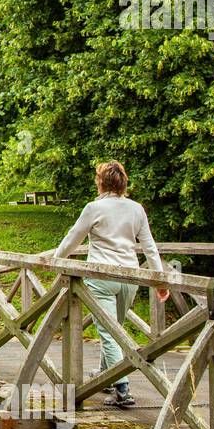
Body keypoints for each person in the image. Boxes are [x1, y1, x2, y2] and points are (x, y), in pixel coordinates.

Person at [53, 161, 169, 408]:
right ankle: (106, 376)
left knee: (108, 332)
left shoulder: (94, 208)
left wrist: (55, 261)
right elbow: (149, 246)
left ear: (101, 182)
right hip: (130, 277)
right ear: (123, 183)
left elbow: (73, 238)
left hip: (101, 276)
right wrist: (159, 279)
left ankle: (123, 389)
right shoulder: (136, 209)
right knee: (114, 328)